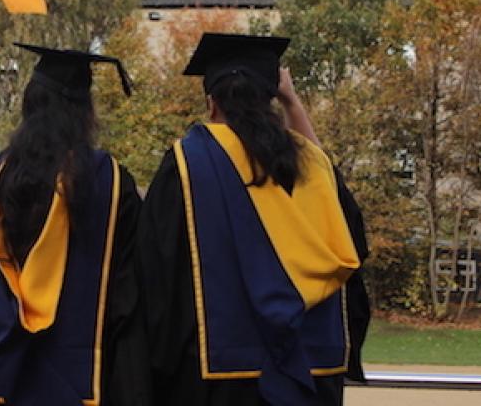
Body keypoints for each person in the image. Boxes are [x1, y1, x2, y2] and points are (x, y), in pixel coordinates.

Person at [138, 33, 369, 406]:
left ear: (212, 103)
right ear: (272, 98)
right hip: (312, 374)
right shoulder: (313, 168)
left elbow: (158, 274)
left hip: (220, 375)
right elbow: (353, 240)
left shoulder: (187, 165)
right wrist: (293, 103)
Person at [0, 43, 148, 406]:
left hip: (6, 378)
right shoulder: (108, 181)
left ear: (29, 104)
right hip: (88, 377)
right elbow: (131, 290)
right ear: (84, 112)